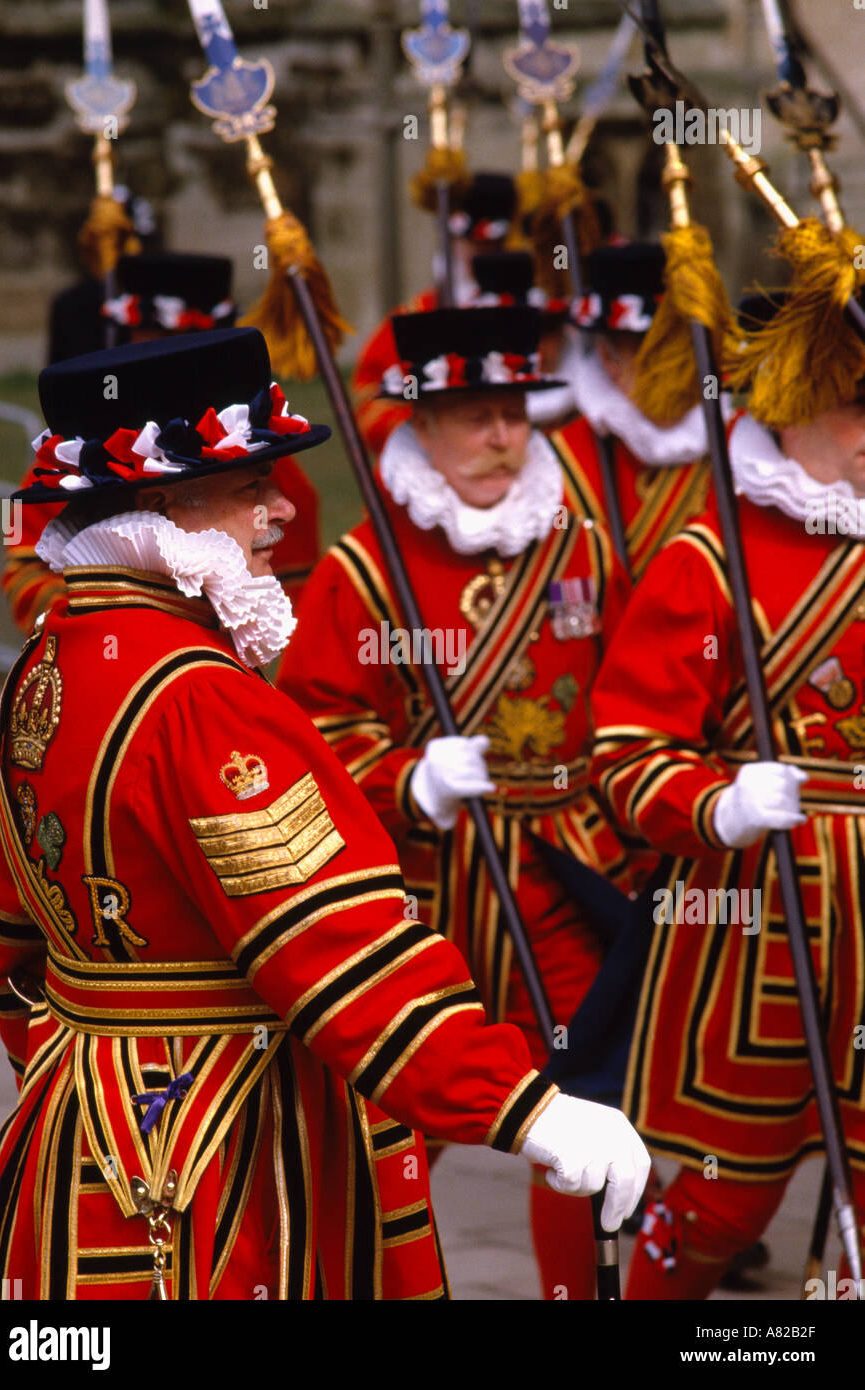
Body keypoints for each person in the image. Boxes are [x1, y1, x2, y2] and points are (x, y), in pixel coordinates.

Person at [0, 326, 649, 1300]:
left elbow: (14, 954)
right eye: (252, 486)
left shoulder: (46, 662)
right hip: (215, 1148)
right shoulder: (199, 695)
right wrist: (526, 1109)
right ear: (164, 503)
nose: (284, 508)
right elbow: (342, 952)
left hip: (79, 1127)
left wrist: (97, 1063)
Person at [278, 303, 642, 1299]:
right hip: (423, 890)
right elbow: (309, 739)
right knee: (391, 1116)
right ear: (421, 424)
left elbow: (631, 697)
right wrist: (408, 779)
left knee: (589, 1109)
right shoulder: (363, 567)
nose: (501, 436)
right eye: (475, 414)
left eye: (516, 413)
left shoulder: (584, 543)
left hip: (565, 876)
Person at [590, 289, 865, 1299]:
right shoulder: (709, 561)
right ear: (789, 404)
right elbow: (625, 754)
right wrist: (721, 804)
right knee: (720, 1203)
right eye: (854, 404)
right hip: (758, 928)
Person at [2, 253, 320, 630]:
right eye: (142, 329)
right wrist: (103, 616)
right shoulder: (83, 464)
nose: (149, 345)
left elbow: (296, 602)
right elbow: (25, 572)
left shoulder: (260, 459)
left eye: (170, 335)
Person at [550, 243, 722, 578]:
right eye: (650, 354)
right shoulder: (559, 463)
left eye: (679, 349)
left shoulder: (740, 445)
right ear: (607, 359)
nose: (671, 369)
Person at [351, 173, 517, 457]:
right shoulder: (414, 317)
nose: (480, 257)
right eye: (471, 245)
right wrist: (434, 427)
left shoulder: (531, 317)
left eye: (492, 247)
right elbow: (370, 405)